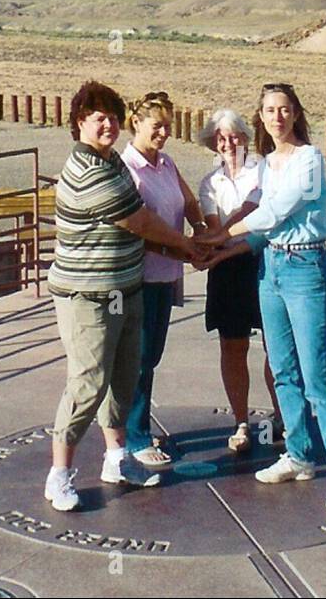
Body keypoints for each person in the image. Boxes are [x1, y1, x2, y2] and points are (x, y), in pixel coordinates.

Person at [195, 83, 326, 511]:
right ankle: (300, 455)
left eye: (284, 109)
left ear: (296, 113)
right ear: (262, 117)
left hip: (305, 270)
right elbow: (263, 231)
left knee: (316, 375)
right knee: (283, 369)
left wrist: (216, 234)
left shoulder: (309, 159)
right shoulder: (267, 164)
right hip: (270, 268)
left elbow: (274, 212)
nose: (277, 117)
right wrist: (220, 253)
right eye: (269, 110)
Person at [43, 80, 205, 512]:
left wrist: (188, 243)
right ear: (80, 123)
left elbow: (146, 217)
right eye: (100, 119)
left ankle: (117, 459)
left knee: (123, 378)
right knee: (87, 383)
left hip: (125, 287)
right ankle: (59, 474)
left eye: (113, 118)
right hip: (87, 296)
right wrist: (189, 247)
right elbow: (139, 221)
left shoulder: (113, 161)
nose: (109, 126)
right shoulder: (86, 170)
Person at [120, 91, 208, 467]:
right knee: (137, 358)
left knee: (150, 356)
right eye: (157, 126)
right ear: (136, 123)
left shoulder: (166, 163)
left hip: (166, 276)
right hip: (138, 277)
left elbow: (188, 203)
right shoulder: (127, 168)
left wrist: (204, 231)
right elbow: (137, 229)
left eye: (169, 127)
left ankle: (133, 426)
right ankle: (134, 438)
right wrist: (185, 250)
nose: (164, 134)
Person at [194, 108, 283, 454]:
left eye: (233, 136)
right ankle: (241, 422)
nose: (228, 143)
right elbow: (215, 225)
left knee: (276, 345)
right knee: (233, 346)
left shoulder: (264, 170)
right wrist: (212, 242)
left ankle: (283, 416)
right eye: (220, 138)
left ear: (245, 138)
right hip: (227, 269)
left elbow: (255, 213)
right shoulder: (209, 183)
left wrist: (213, 242)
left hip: (262, 260)